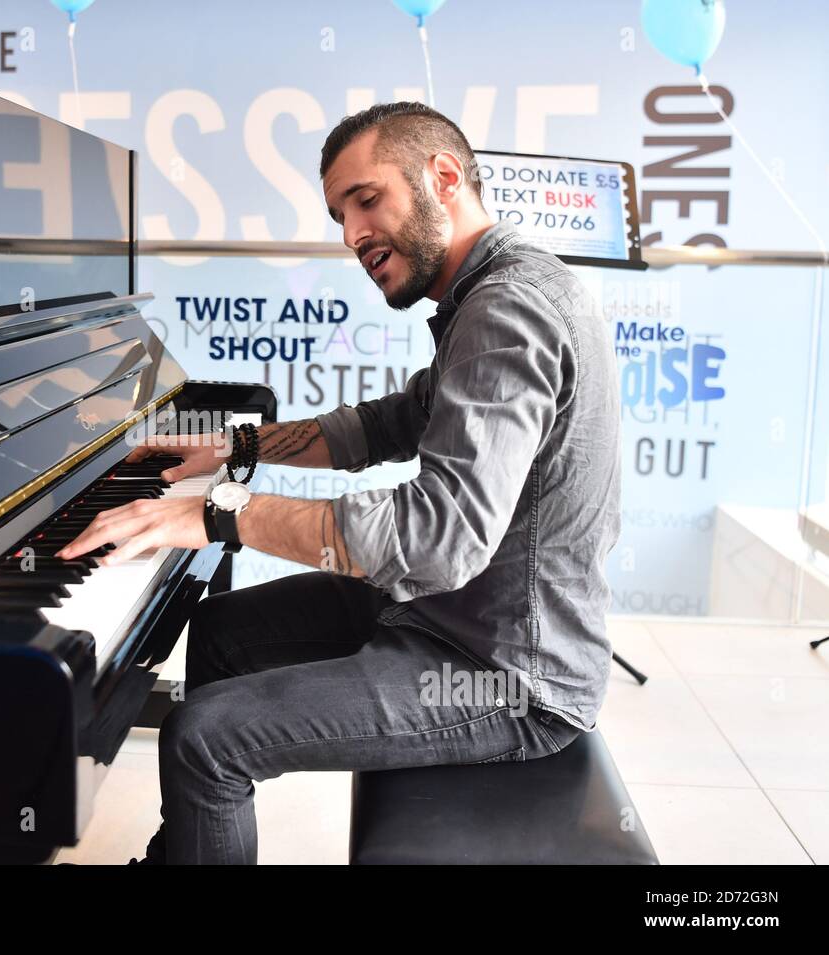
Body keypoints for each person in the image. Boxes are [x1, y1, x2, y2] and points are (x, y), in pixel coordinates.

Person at [57, 102, 622, 865]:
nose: (352, 235)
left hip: (505, 675)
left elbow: (437, 539)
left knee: (205, 738)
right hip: (452, 614)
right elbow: (388, 425)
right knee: (222, 632)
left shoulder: (507, 309)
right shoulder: (493, 291)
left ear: (443, 178)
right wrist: (240, 442)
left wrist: (221, 514)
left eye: (366, 200)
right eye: (339, 214)